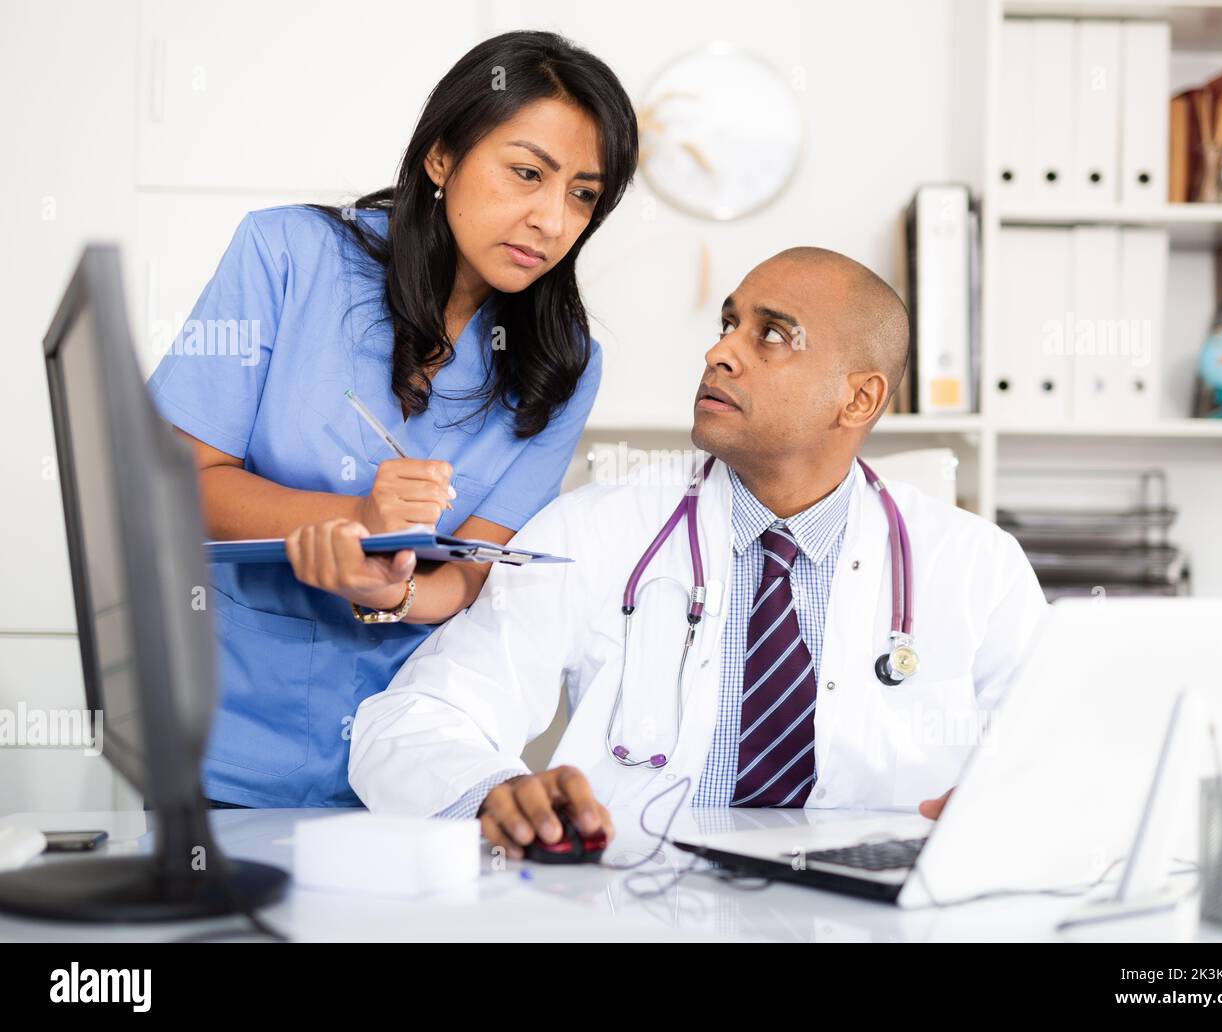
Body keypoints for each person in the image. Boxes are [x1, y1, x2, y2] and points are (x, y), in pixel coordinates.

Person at [339, 247, 1048, 853]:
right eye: (729, 323)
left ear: (858, 399)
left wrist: (1009, 817)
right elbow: (413, 722)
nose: (720, 352)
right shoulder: (591, 531)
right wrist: (496, 793)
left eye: (772, 335)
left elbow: (1066, 758)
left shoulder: (977, 569)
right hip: (636, 905)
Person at [146, 31, 638, 807]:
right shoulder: (286, 255)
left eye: (582, 193)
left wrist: (393, 594)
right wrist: (352, 517)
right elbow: (175, 482)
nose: (551, 219)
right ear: (441, 157)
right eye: (526, 173)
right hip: (221, 744)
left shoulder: (564, 362)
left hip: (404, 763)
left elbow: (474, 574)